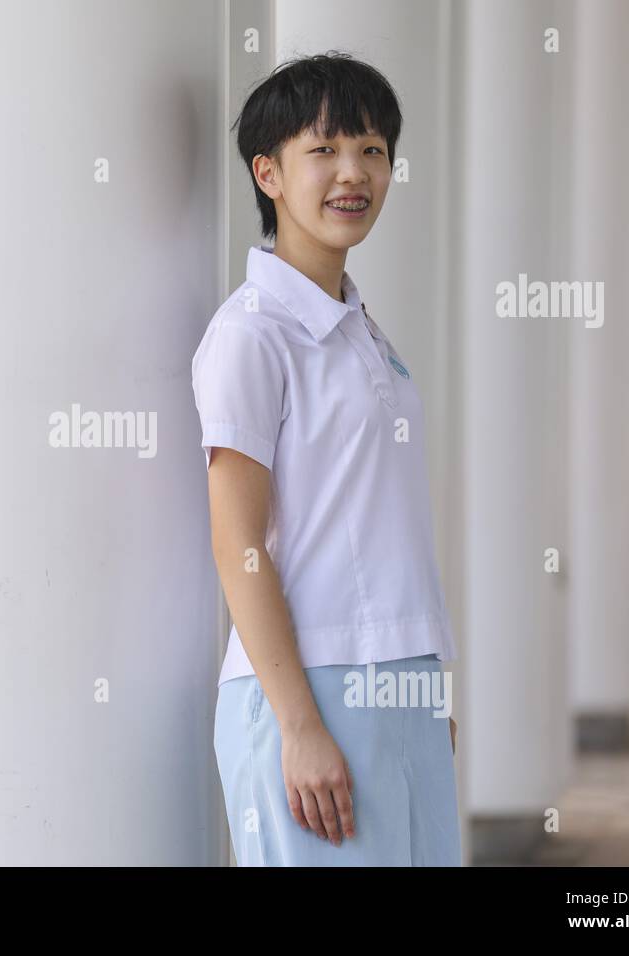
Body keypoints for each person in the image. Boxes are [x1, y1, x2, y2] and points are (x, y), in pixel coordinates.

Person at [191, 52, 462, 866]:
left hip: (396, 684)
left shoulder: (359, 327)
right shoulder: (252, 334)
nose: (354, 173)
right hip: (308, 686)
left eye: (372, 150)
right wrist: (300, 725)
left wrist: (421, 687)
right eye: (325, 150)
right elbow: (237, 544)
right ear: (268, 173)